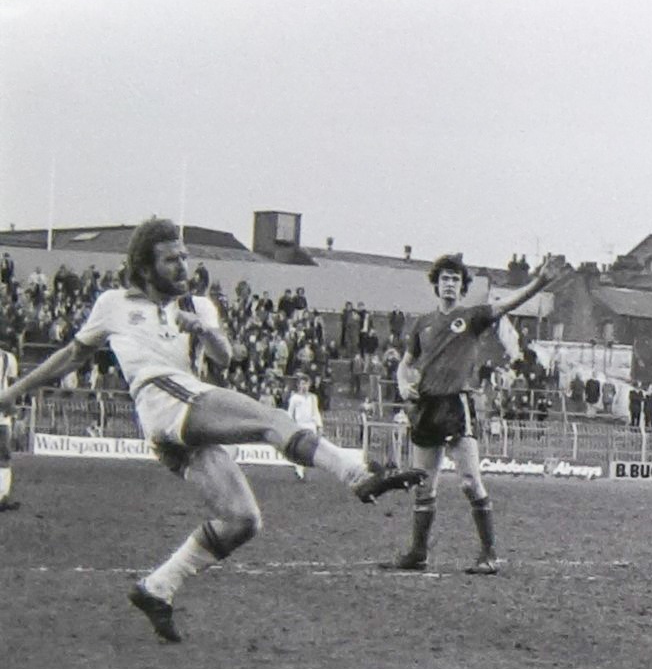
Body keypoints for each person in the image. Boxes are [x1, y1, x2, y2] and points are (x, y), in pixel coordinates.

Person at [0, 218, 419, 642]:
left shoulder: (198, 306)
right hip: (165, 401)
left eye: (185, 257)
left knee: (242, 520)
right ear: (145, 268)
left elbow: (225, 357)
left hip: (183, 417)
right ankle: (356, 472)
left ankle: (157, 587)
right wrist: (14, 391)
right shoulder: (113, 303)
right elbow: (73, 355)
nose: (184, 266)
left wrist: (203, 328)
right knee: (271, 420)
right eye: (171, 260)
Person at [383, 252, 566, 574]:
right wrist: (401, 382)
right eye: (445, 279)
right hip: (426, 407)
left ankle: (489, 554)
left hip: (456, 406)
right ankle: (418, 553)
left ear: (462, 287)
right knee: (424, 486)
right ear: (436, 286)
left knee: (469, 482)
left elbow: (507, 304)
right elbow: (406, 362)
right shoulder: (423, 323)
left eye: (455, 279)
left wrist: (539, 282)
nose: (449, 284)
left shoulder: (472, 317)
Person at [282, 371, 323, 482]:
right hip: (300, 425)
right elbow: (290, 413)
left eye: (306, 384)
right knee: (300, 449)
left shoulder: (313, 397)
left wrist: (319, 426)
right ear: (298, 385)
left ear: (309, 385)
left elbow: (316, 412)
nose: (304, 386)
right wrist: (289, 425)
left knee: (310, 449)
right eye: (302, 384)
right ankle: (299, 469)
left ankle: (305, 470)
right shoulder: (295, 398)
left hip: (311, 425)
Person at [0, 342, 21, 511]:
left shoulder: (8, 359)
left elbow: (13, 386)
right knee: (4, 455)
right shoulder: (8, 359)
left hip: (2, 415)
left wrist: (11, 406)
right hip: (3, 415)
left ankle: (2, 496)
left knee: (4, 454)